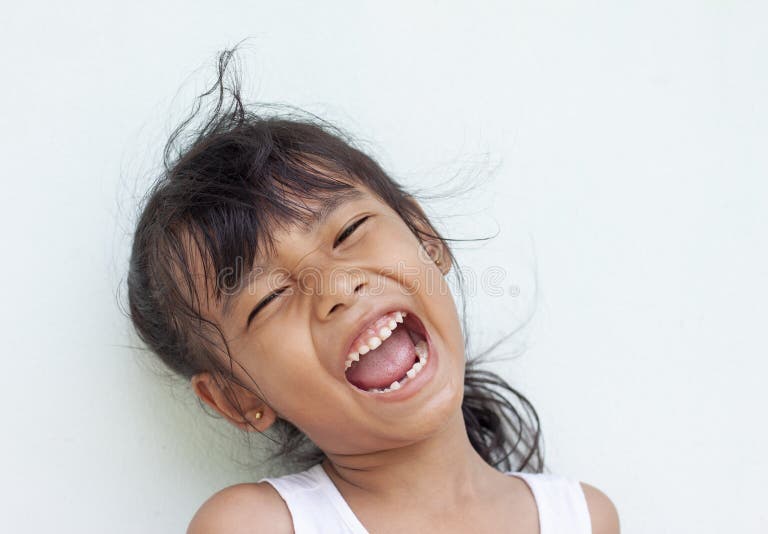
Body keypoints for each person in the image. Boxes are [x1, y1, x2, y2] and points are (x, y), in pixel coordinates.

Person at [126, 47, 620, 534]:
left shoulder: (582, 517)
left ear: (425, 237)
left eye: (348, 231)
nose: (336, 289)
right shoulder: (254, 526)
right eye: (269, 298)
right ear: (236, 398)